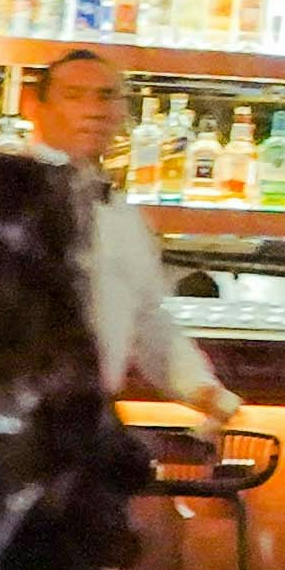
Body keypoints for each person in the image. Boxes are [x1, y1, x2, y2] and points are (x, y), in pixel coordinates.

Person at [18, 46, 234, 420]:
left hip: (85, 419)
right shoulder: (3, 198)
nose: (94, 110)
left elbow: (149, 320)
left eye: (106, 96)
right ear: (35, 107)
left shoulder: (122, 216)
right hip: (9, 419)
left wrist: (202, 389)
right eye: (74, 96)